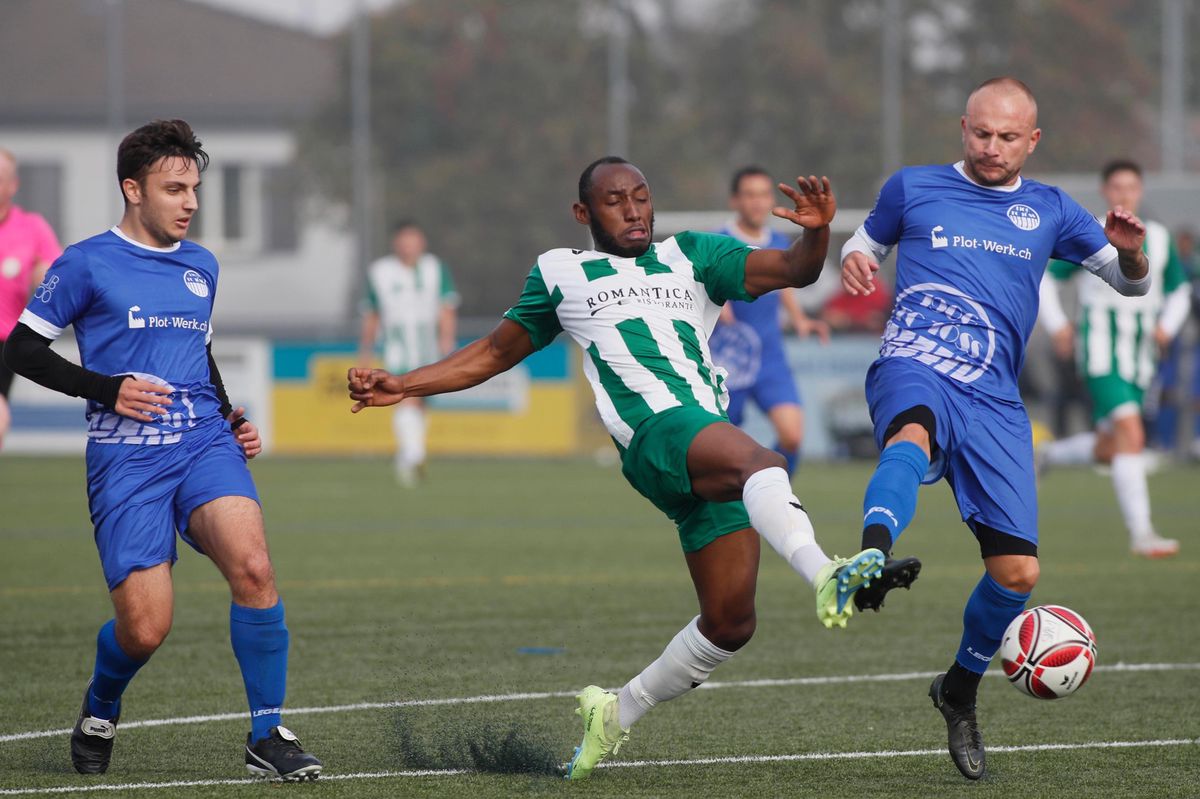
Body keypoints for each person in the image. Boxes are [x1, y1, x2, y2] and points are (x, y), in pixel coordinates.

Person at [347, 156, 885, 780]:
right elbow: (495, 351)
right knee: (761, 458)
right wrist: (407, 385)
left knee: (731, 622)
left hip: (700, 442)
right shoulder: (562, 272)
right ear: (584, 213)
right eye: (614, 201)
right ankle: (828, 575)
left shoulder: (695, 255)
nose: (633, 210)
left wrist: (817, 232)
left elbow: (794, 268)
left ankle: (616, 712)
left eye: (641, 197)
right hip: (655, 436)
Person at [839, 78, 1151, 780]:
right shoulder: (912, 188)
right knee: (908, 436)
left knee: (1017, 574)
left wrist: (1130, 254)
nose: (992, 148)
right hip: (914, 362)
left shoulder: (1051, 210)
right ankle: (870, 556)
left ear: (1032, 141)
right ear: (963, 128)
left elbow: (1132, 284)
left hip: (995, 400)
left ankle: (958, 688)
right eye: (981, 133)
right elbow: (859, 247)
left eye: (1008, 137)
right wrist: (855, 258)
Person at [2, 120, 321, 780]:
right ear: (133, 189)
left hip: (203, 440)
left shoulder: (202, 265)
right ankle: (101, 702)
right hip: (128, 459)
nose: (191, 202)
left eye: (195, 189)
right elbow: (22, 348)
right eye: (174, 188)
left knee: (254, 566)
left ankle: (269, 733)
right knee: (146, 628)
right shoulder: (86, 262)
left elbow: (197, 351)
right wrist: (105, 388)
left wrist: (231, 416)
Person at [1037, 160, 1189, 558]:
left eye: (1131, 187)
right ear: (1106, 192)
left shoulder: (1157, 237)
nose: (1124, 195)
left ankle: (1046, 454)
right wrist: (1058, 326)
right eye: (1117, 187)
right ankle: (1142, 534)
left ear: (1140, 191)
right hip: (1101, 350)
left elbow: (1178, 290)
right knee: (1132, 434)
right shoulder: (1092, 235)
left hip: (1140, 356)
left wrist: (1166, 328)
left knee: (1111, 446)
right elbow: (1046, 279)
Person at [708, 166, 830, 475]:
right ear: (735, 201)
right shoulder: (718, 242)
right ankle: (730, 505)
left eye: (763, 195)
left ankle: (773, 492)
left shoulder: (778, 239)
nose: (757, 202)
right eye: (749, 195)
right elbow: (704, 285)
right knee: (717, 448)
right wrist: (719, 305)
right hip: (727, 361)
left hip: (769, 357)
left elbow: (784, 283)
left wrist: (800, 319)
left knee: (792, 435)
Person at [357, 220, 459, 486]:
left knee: (421, 401)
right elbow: (372, 313)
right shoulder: (380, 272)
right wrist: (365, 353)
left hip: (429, 347)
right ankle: (413, 456)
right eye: (404, 240)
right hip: (397, 348)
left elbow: (447, 307)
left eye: (413, 240)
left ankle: (409, 456)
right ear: (396, 243)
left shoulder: (435, 268)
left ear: (421, 242)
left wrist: (447, 342)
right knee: (404, 396)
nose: (408, 246)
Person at [0, 147, 62, 448]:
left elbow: (56, 275)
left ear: (13, 184)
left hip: (5, 341)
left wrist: (42, 278)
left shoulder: (32, 227)